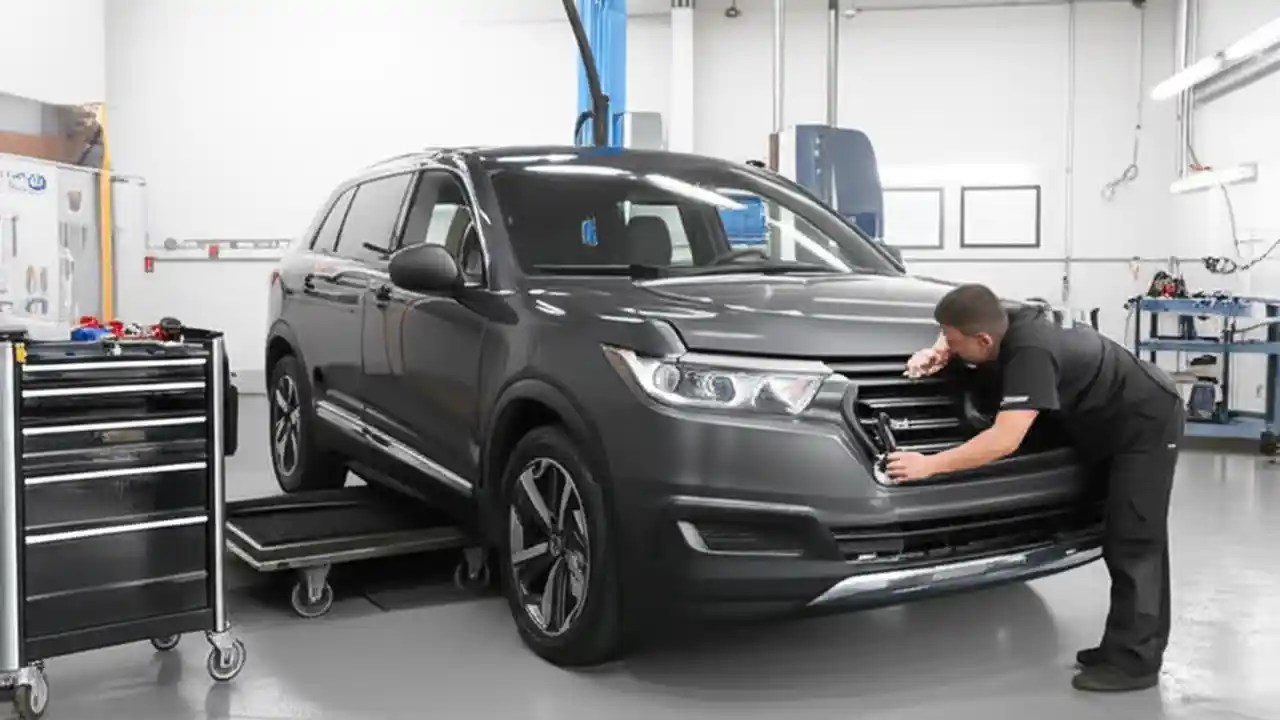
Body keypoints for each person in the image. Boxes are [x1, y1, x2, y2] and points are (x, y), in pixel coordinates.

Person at [888, 284, 1184, 693]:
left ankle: (1136, 663)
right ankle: (1122, 644)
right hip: (1102, 419)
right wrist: (936, 347)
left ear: (985, 340)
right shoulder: (1001, 315)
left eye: (956, 344)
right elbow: (962, 319)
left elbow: (1003, 440)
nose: (952, 350)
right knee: (1115, 530)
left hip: (1145, 421)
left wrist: (929, 465)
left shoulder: (1030, 355)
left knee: (1135, 539)